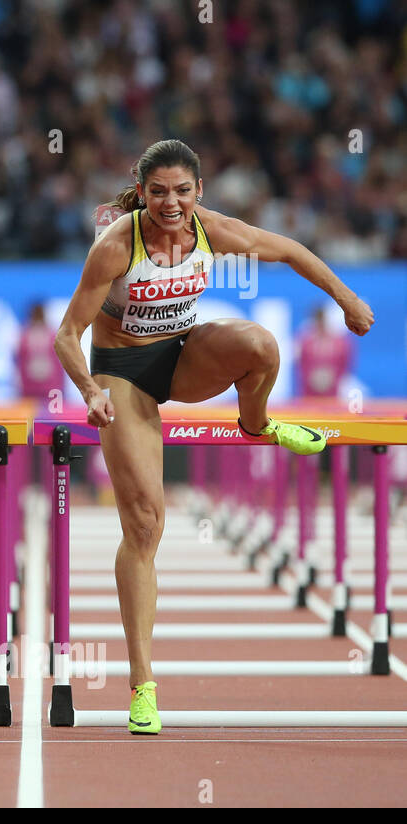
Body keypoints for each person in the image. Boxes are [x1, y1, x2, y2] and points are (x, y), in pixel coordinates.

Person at [53, 139, 374, 735]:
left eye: (182, 191)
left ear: (199, 192)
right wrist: (90, 392)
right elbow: (68, 335)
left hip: (182, 357)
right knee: (145, 524)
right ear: (142, 192)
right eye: (158, 192)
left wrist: (347, 299)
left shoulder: (213, 229)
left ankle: (257, 423)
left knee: (260, 346)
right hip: (123, 374)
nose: (170, 203)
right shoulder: (117, 245)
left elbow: (293, 251)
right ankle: (142, 685)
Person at [296, 305, 353, 399]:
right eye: (318, 320)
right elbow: (301, 366)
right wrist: (313, 378)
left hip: (332, 394)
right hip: (309, 394)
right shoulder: (306, 343)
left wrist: (332, 378)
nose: (321, 324)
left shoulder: (340, 344)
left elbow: (345, 366)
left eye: (323, 320)